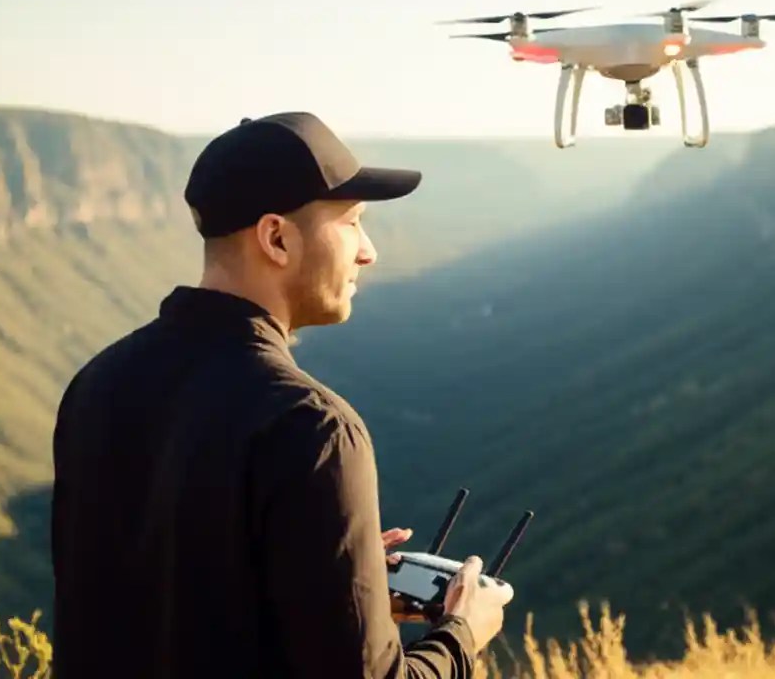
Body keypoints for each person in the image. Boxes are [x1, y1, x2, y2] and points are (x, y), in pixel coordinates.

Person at [50, 112, 514, 678]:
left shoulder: (98, 382)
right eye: (352, 223)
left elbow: (158, 601)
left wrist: (334, 592)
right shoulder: (312, 427)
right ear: (276, 237)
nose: (368, 252)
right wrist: (463, 634)